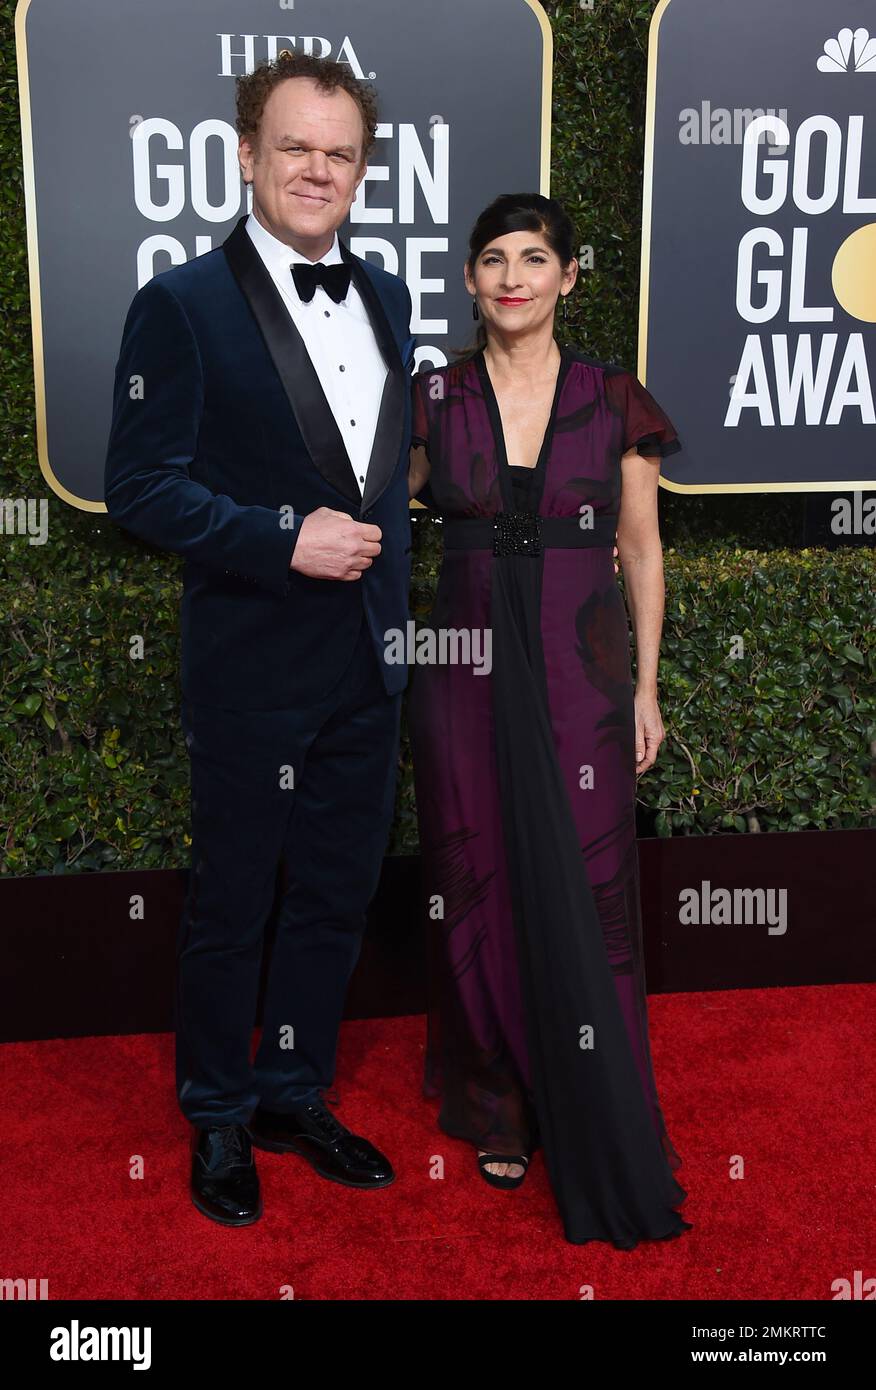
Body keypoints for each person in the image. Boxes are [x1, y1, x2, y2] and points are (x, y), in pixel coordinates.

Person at [104, 51, 416, 1226]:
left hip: (367, 662)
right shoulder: (179, 304)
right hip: (251, 663)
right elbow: (139, 486)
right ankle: (218, 1112)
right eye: (296, 147)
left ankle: (292, 1089)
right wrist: (282, 535)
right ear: (247, 155)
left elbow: (383, 474)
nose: (318, 170)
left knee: (334, 896)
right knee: (235, 899)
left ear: (360, 170)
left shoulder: (384, 293)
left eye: (340, 154)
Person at [406, 193, 693, 1249]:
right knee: (470, 874)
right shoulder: (432, 395)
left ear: (571, 276)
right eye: (493, 260)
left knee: (587, 875)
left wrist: (648, 688)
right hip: (463, 664)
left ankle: (596, 1097)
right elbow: (382, 508)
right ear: (472, 281)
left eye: (535, 258)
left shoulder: (617, 399)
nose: (513, 276)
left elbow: (646, 551)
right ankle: (498, 1104)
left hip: (580, 667)